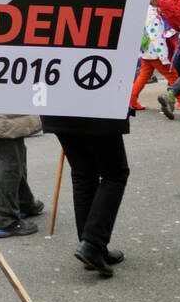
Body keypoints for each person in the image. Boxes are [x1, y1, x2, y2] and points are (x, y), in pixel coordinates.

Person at [42, 114, 129, 277]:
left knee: (84, 173)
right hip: (95, 111)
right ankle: (92, 244)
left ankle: (91, 247)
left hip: (59, 111)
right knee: (114, 173)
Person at [129, 0, 179, 113]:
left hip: (146, 51)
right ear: (152, 0)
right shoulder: (152, 14)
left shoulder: (145, 11)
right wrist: (163, 56)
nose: (161, 0)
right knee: (172, 74)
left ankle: (132, 100)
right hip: (155, 53)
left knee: (144, 76)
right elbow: (156, 36)